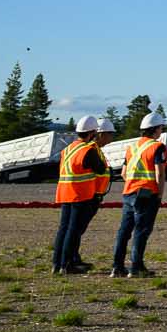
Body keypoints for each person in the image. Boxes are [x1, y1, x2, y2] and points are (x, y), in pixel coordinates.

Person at [110, 110, 167, 277]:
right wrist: (159, 194)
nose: (161, 131)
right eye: (161, 128)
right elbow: (160, 173)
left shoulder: (132, 147)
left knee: (124, 231)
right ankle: (136, 267)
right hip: (146, 194)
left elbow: (123, 173)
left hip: (128, 192)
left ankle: (117, 266)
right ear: (155, 129)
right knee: (141, 230)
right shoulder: (157, 147)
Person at [51, 115, 112, 275]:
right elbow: (99, 169)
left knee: (63, 229)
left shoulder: (69, 148)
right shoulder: (87, 150)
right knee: (74, 230)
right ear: (92, 133)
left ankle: (57, 264)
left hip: (65, 192)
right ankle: (67, 264)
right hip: (80, 194)